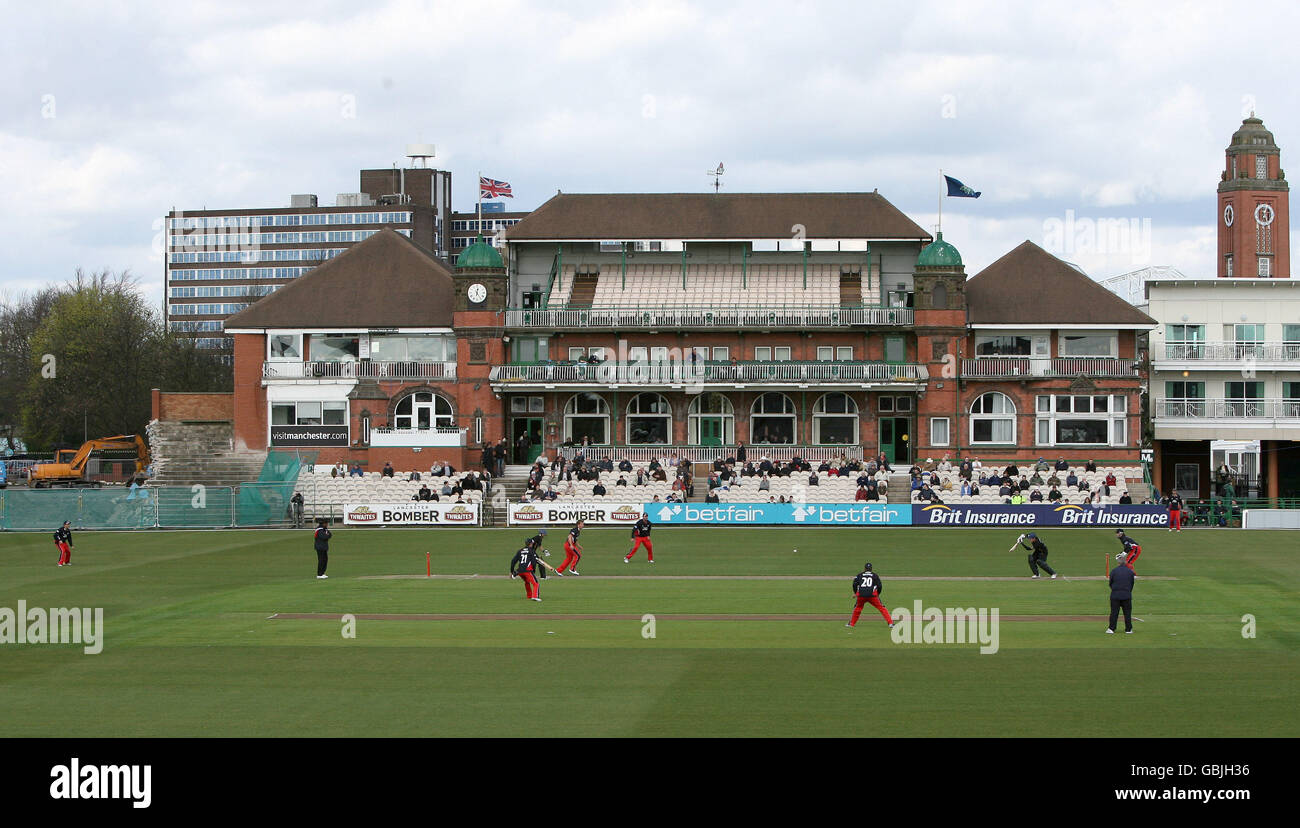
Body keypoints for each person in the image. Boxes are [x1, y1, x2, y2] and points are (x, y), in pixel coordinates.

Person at [846, 562, 894, 628]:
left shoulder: (859, 575)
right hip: (872, 596)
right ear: (871, 569)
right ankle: (890, 623)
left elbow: (854, 584)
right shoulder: (875, 575)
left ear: (865, 569)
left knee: (857, 608)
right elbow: (879, 586)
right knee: (882, 608)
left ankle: (851, 624)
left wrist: (856, 593)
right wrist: (878, 594)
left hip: (861, 595)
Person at [1107, 554, 1136, 634]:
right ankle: (1128, 629)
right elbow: (1131, 584)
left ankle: (1111, 629)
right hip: (1126, 595)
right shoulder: (1130, 572)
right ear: (1125, 562)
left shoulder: (1114, 571)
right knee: (1127, 613)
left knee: (1114, 612)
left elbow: (1110, 583)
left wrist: (1115, 589)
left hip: (1115, 595)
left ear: (1118, 563)